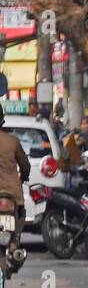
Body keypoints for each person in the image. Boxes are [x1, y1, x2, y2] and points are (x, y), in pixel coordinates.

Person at [0, 108, 32, 253]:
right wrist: (23, 178)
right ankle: (14, 241)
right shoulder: (13, 141)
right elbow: (25, 166)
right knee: (21, 212)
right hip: (13, 193)